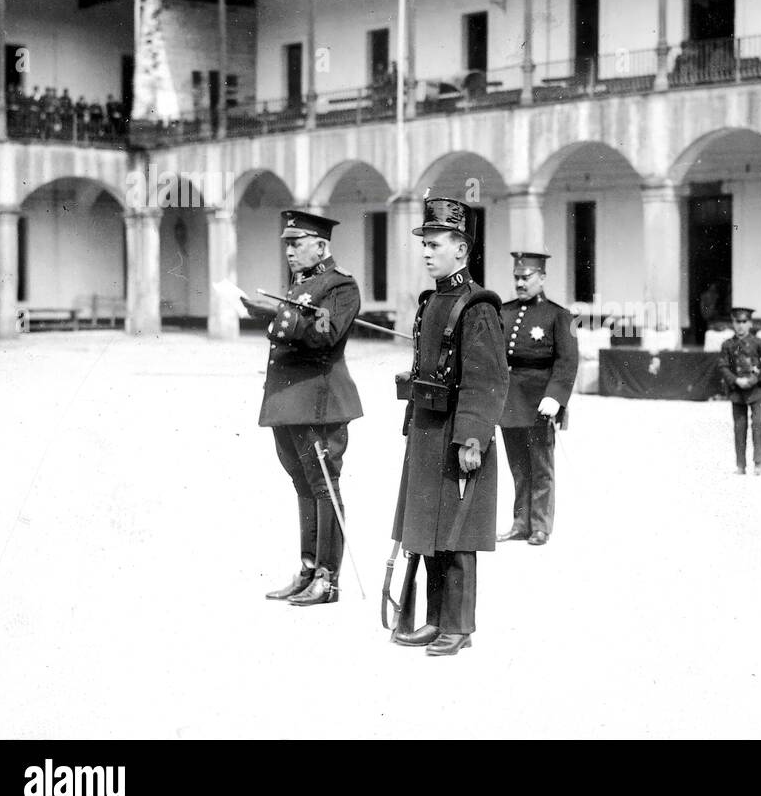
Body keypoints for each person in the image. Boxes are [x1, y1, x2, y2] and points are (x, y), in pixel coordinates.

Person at [390, 198, 508, 655]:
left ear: (462, 250)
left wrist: (471, 438)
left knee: (458, 532)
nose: (425, 252)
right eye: (424, 243)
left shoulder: (476, 307)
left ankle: (459, 627)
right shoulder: (432, 301)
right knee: (430, 529)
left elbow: (488, 378)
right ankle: (436, 621)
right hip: (426, 429)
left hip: (458, 433)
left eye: (435, 244)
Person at [241, 211, 363, 607]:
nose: (289, 251)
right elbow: (296, 327)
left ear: (321, 246)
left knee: (324, 485)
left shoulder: (340, 286)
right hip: (288, 401)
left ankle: (328, 579)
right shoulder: (300, 287)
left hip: (319, 401)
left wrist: (279, 315)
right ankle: (309, 568)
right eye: (287, 245)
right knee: (302, 483)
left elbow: (323, 338)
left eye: (296, 244)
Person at [497, 251, 578, 546]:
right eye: (516, 277)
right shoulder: (503, 312)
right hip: (510, 399)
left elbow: (567, 361)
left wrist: (556, 397)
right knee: (518, 466)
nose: (520, 283)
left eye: (526, 277)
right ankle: (521, 524)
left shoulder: (560, 315)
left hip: (539, 401)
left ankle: (540, 526)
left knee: (541, 466)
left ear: (541, 278)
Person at [718, 306, 761, 475]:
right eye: (737, 322)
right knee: (739, 427)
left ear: (750, 323)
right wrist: (736, 380)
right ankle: (740, 465)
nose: (740, 326)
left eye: (744, 322)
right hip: (737, 391)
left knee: (758, 425)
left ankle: (758, 463)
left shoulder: (759, 343)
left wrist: (756, 379)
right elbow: (722, 365)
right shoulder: (727, 345)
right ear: (733, 323)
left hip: (757, 391)